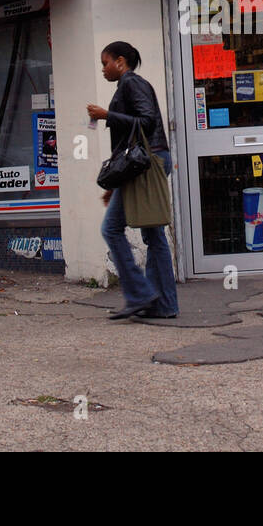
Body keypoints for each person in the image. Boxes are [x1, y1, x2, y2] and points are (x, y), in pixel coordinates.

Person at [86, 41, 179, 320]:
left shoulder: (132, 83)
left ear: (121, 61)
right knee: (154, 235)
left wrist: (106, 115)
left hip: (146, 165)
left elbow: (146, 121)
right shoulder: (129, 84)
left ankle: (140, 295)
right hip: (146, 165)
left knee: (112, 229)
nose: (103, 69)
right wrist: (115, 186)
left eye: (105, 63)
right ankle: (163, 304)